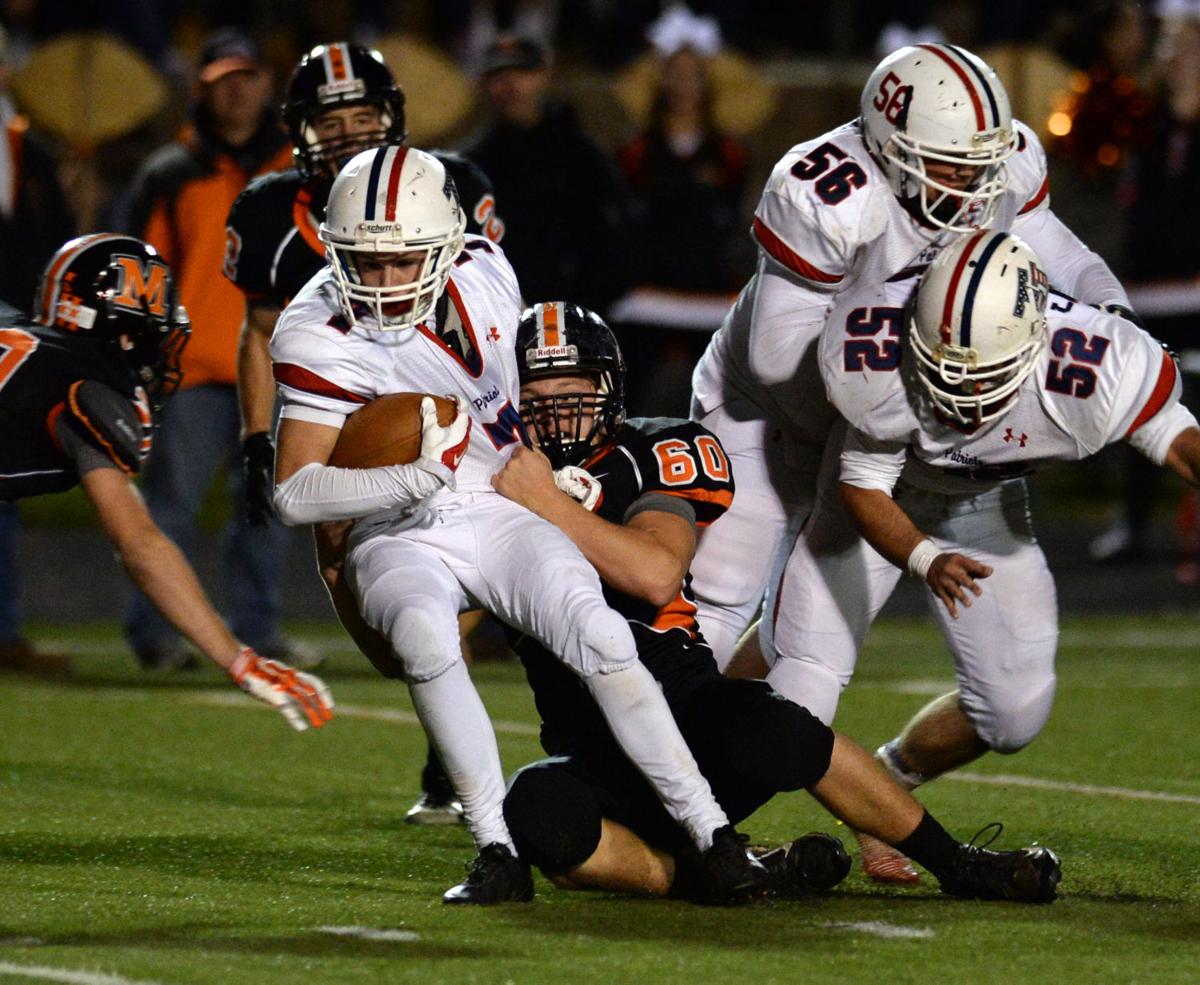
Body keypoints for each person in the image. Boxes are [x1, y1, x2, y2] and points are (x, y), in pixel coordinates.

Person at [683, 43, 1138, 879]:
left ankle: (882, 779)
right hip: (774, 421)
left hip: (927, 449)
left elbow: (1062, 256)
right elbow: (787, 358)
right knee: (719, 627)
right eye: (946, 168)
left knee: (1013, 710)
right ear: (888, 151)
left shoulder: (995, 166)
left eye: (980, 167)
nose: (972, 190)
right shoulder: (826, 192)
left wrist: (1111, 327)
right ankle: (676, 816)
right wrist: (933, 399)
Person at [268, 145, 765, 905]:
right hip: (397, 526)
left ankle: (714, 834)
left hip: (497, 502)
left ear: (445, 245)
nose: (382, 281)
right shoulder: (314, 329)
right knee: (426, 636)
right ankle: (496, 850)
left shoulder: (485, 268)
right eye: (362, 261)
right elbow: (295, 491)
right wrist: (409, 476)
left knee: (599, 633)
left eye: (403, 262)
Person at [493, 301, 1061, 904]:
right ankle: (699, 874)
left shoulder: (651, 450)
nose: (553, 409)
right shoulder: (488, 486)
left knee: (779, 729)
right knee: (535, 811)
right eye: (534, 393)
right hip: (592, 745)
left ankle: (959, 864)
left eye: (570, 388)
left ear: (607, 388)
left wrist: (547, 504)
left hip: (685, 713)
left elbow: (656, 574)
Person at [764, 229, 1200, 884]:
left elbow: (1171, 431)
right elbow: (863, 485)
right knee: (796, 695)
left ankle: (884, 780)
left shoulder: (1093, 366)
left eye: (983, 371)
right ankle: (706, 811)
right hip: (885, 494)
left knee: (1014, 710)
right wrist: (923, 559)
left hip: (986, 505)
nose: (957, 391)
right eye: (941, 363)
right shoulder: (876, 345)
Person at [226, 39, 505, 825]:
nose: (347, 132)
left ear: (394, 117)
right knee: (367, 595)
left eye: (363, 115)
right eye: (329, 119)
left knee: (455, 580)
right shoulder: (267, 208)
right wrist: (257, 434)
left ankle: (453, 764)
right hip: (329, 420)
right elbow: (259, 328)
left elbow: (480, 309)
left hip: (427, 413)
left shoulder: (447, 186)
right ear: (300, 129)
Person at [0, 233, 333, 731]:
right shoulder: (88, 388)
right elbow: (139, 544)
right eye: (146, 331)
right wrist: (236, 658)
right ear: (122, 331)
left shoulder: (21, 334)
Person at [123, 28, 306, 672]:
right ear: (201, 88)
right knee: (170, 510)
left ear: (267, 84)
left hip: (278, 365)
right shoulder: (169, 172)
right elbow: (136, 278)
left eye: (247, 77)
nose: (236, 92)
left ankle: (258, 630)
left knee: (267, 509)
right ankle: (156, 634)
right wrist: (146, 362)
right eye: (222, 80)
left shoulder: (298, 168)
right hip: (193, 370)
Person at [465, 33, 630, 315]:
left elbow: (610, 246)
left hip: (575, 314)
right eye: (498, 75)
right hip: (496, 319)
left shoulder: (583, 158)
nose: (510, 84)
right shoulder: (472, 167)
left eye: (522, 71)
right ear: (484, 85)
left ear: (545, 76)